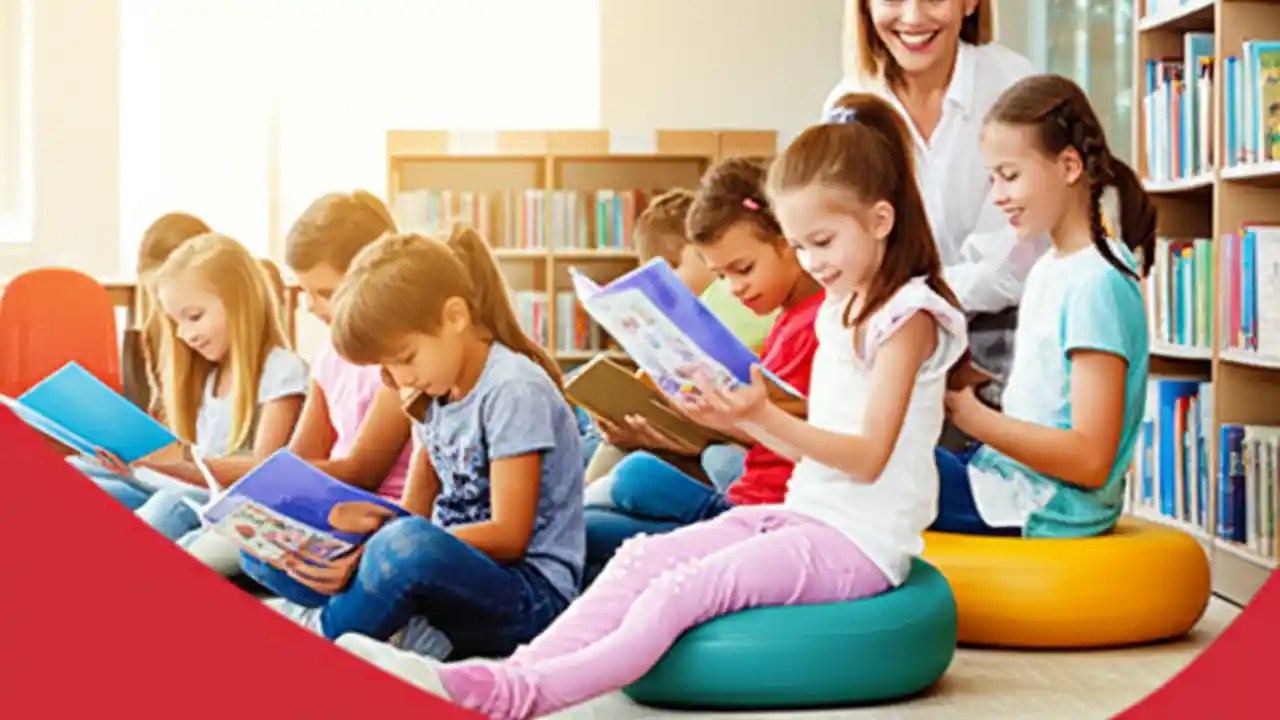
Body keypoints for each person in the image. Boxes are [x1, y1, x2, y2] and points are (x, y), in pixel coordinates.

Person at [330, 92, 970, 720]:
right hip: (805, 514)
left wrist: (757, 417)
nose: (812, 263)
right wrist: (729, 416)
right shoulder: (843, 308)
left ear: (881, 220)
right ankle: (498, 675)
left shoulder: (909, 319)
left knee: (678, 593)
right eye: (801, 247)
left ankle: (509, 699)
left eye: (822, 242)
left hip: (856, 543)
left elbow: (865, 457)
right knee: (640, 557)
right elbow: (819, 427)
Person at [245, 227, 585, 662]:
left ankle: (331, 635)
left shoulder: (513, 388)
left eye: (405, 359)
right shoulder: (432, 390)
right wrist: (349, 529)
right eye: (386, 368)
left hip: (526, 593)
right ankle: (394, 626)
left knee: (404, 548)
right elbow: (415, 513)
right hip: (447, 571)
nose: (401, 379)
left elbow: (509, 535)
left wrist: (377, 550)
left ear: (456, 317)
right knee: (263, 539)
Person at [134, 191, 418, 588]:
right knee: (205, 538)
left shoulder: (401, 363)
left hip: (364, 515)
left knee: (204, 552)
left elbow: (360, 472)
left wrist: (193, 463)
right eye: (304, 292)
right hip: (318, 509)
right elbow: (295, 461)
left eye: (326, 293)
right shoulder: (330, 357)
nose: (311, 307)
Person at [931, 74, 1154, 538]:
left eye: (1010, 176)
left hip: (1047, 506)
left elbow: (1091, 460)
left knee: (873, 471)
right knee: (877, 453)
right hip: (1007, 480)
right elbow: (1052, 399)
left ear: (1069, 165)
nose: (997, 196)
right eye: (992, 178)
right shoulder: (1052, 266)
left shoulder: (1098, 283)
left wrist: (974, 417)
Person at [581, 158, 822, 585]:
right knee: (614, 490)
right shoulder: (789, 320)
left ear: (791, 240)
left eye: (743, 269)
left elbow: (797, 429)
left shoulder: (817, 325)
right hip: (741, 503)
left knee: (591, 519)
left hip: (756, 517)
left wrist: (717, 416)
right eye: (721, 277)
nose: (735, 289)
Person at [824, 0, 1043, 402]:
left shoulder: (1014, 85)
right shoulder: (849, 106)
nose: (912, 18)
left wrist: (911, 300)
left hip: (1002, 348)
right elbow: (849, 251)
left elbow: (1011, 266)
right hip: (893, 340)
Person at [85, 233, 308, 516]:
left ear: (239, 303)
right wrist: (137, 466)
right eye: (176, 321)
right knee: (83, 476)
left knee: (165, 507)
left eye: (194, 317)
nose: (184, 335)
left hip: (235, 505)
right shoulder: (210, 377)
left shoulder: (282, 370)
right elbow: (190, 460)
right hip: (194, 490)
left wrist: (166, 469)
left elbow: (265, 467)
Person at [581, 188, 776, 490]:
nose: (669, 282)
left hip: (724, 434)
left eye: (673, 266)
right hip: (700, 423)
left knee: (615, 468)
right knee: (593, 437)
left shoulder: (739, 302)